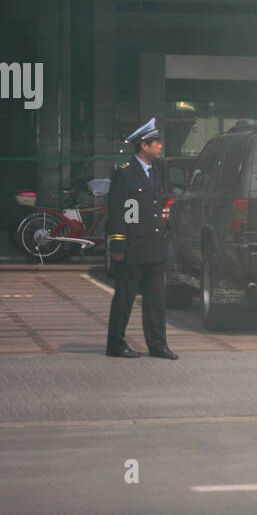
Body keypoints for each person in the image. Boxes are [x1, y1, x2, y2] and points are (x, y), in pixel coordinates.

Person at [105, 119, 179, 360]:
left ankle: (158, 345)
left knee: (156, 302)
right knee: (124, 300)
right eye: (156, 143)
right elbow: (119, 213)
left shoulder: (154, 173)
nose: (160, 147)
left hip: (154, 247)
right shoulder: (126, 174)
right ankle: (116, 344)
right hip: (133, 248)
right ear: (144, 145)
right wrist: (118, 244)